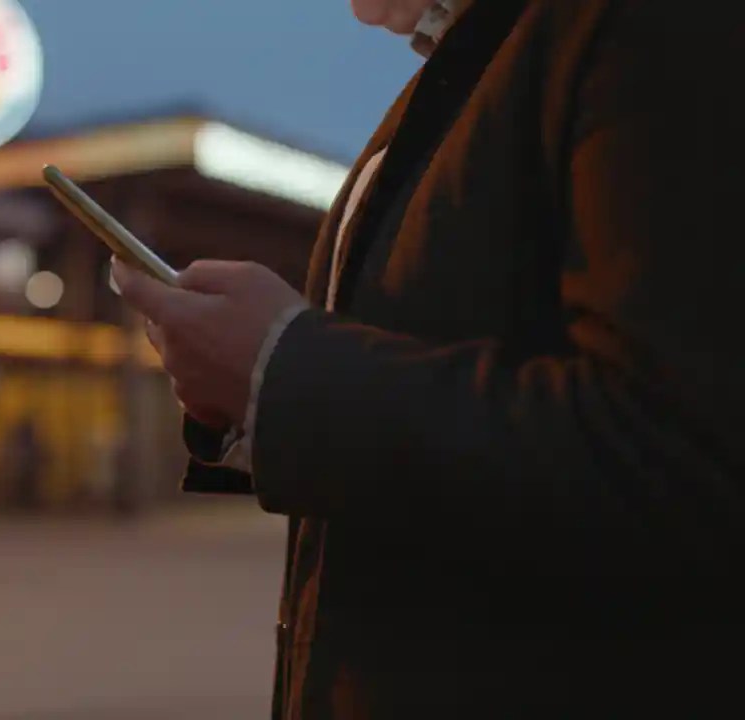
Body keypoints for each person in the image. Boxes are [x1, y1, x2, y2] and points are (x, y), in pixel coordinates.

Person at [111, 0, 745, 717]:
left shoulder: (645, 24)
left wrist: (282, 371)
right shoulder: (464, 69)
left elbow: (672, 453)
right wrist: (250, 387)